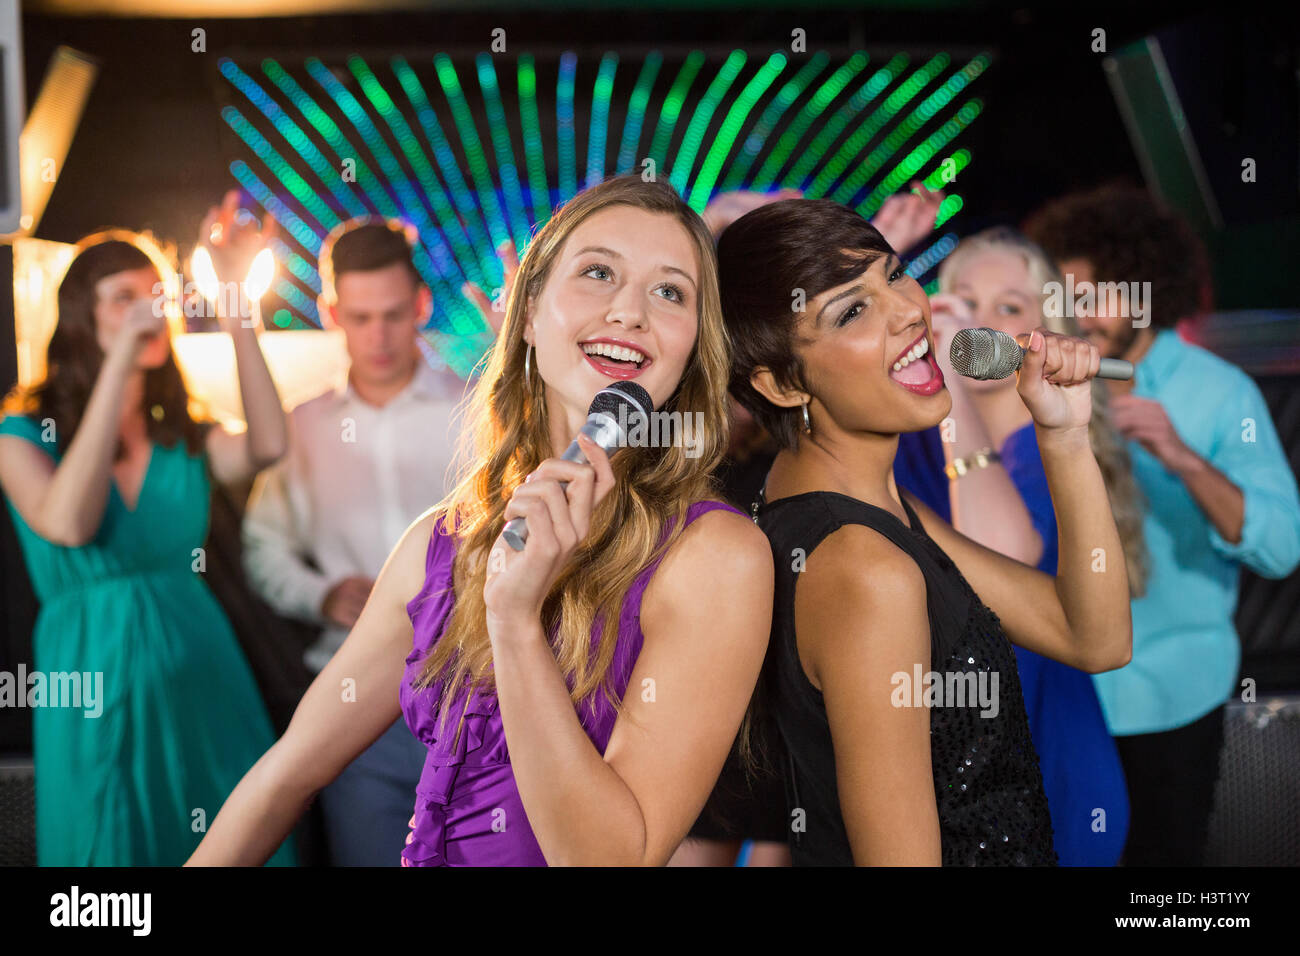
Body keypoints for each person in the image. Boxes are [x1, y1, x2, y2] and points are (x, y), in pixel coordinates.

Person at [186, 173, 774, 867]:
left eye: (670, 291)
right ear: (527, 314)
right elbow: (288, 774)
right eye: (596, 273)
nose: (630, 311)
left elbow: (612, 859)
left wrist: (516, 619)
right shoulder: (439, 542)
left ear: (692, 347)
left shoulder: (718, 556)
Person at [717, 197, 1134, 865]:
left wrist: (1063, 434)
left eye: (894, 273)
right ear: (781, 382)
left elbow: (1095, 638)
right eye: (851, 311)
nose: (910, 310)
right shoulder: (862, 566)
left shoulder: (867, 510)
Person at [0, 204, 296, 865]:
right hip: (86, 678)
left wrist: (233, 298)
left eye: (155, 298)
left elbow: (270, 443)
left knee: (227, 838)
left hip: (202, 679)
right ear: (83, 317)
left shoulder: (182, 437)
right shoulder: (20, 435)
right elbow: (69, 523)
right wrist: (118, 370)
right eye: (124, 299)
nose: (147, 311)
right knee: (104, 847)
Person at [1025, 185, 1300, 865]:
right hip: (1057, 693)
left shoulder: (1217, 391)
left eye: (1097, 295)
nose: (1078, 314)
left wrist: (1183, 460)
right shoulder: (1032, 387)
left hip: (1172, 694)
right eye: (1067, 296)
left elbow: (1282, 546)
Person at [241, 217, 468, 865]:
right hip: (350, 703)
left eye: (394, 315)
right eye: (361, 317)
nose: (379, 336)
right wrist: (321, 594)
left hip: (474, 694)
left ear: (422, 304)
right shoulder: (303, 428)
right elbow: (263, 549)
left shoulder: (479, 410)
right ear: (331, 311)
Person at [925, 226, 1147, 865]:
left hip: (1049, 783)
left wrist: (952, 391)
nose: (979, 323)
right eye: (962, 303)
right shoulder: (929, 450)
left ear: (1045, 331)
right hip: (965, 781)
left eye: (1010, 308)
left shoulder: (1047, 459)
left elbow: (996, 558)